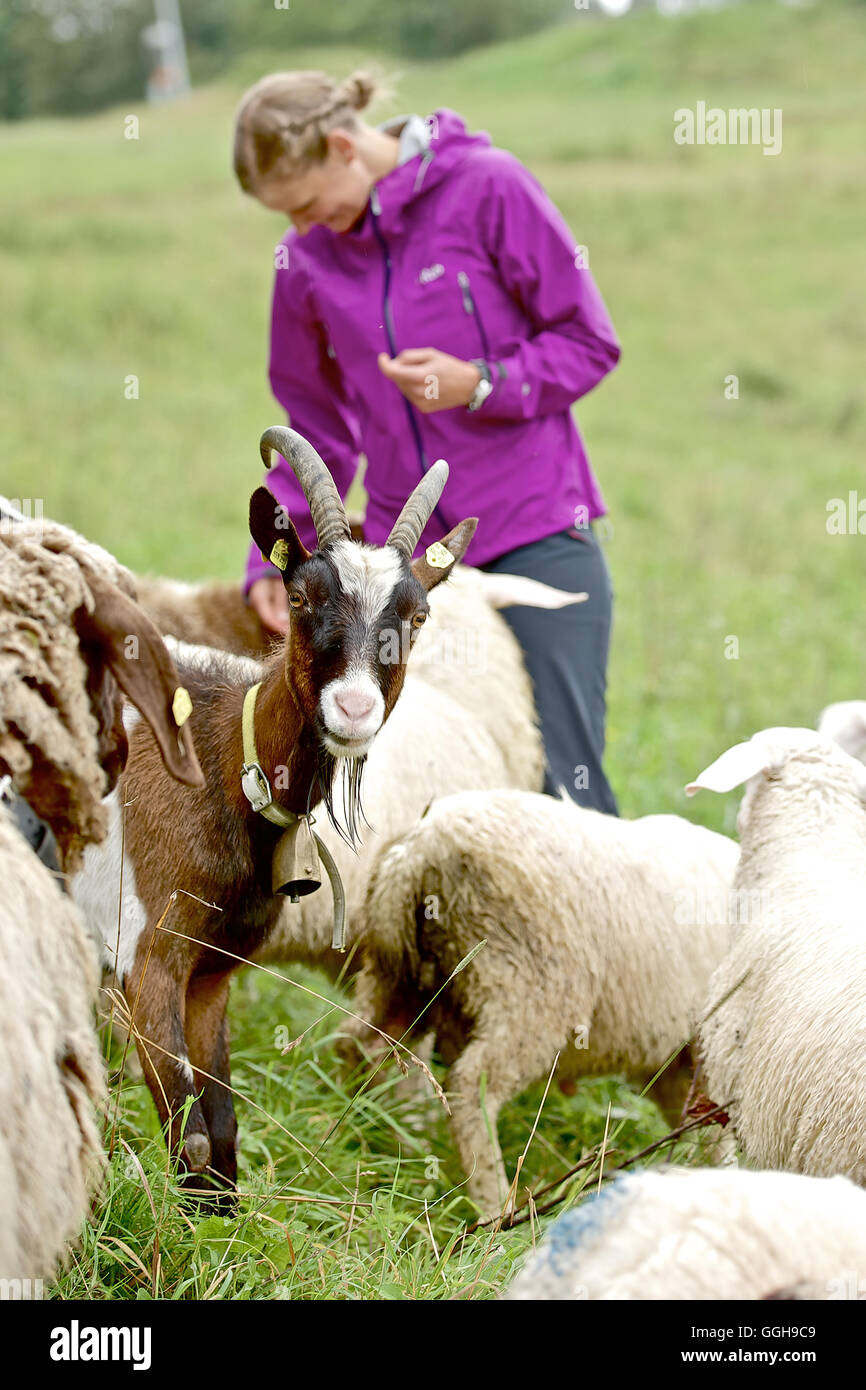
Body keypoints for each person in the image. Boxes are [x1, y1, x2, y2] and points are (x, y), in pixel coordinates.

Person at [233, 69, 621, 813]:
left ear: (344, 146)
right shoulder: (307, 260)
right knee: (409, 794)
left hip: (536, 531)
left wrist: (480, 382)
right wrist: (268, 561)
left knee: (560, 791)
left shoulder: (489, 187)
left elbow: (589, 341)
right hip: (398, 576)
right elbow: (313, 429)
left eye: (308, 205)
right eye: (286, 218)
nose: (301, 230)